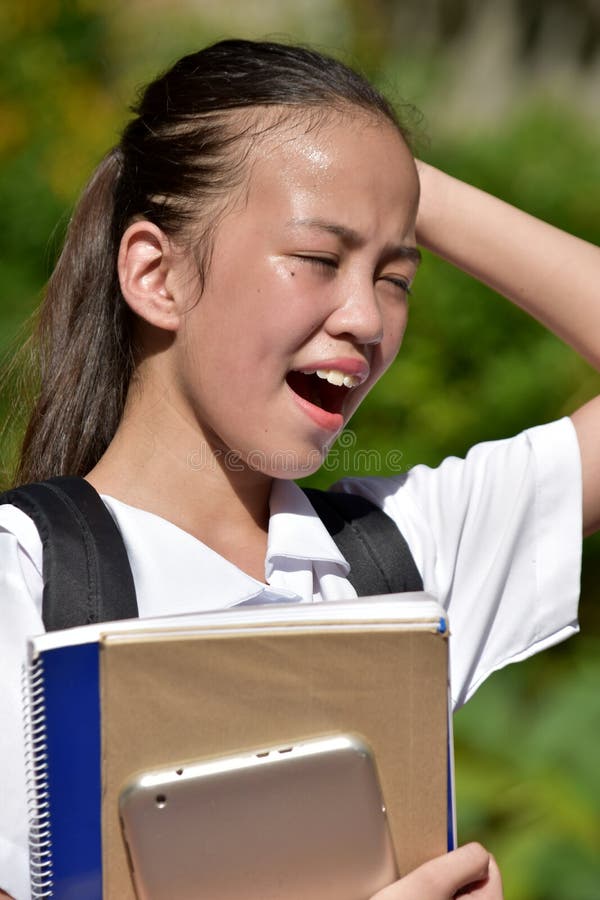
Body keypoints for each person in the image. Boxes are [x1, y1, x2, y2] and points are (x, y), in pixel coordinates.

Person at [1, 36, 598, 900]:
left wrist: (390, 181)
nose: (367, 319)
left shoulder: (403, 560)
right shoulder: (27, 580)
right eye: (319, 259)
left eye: (396, 275)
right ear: (156, 275)